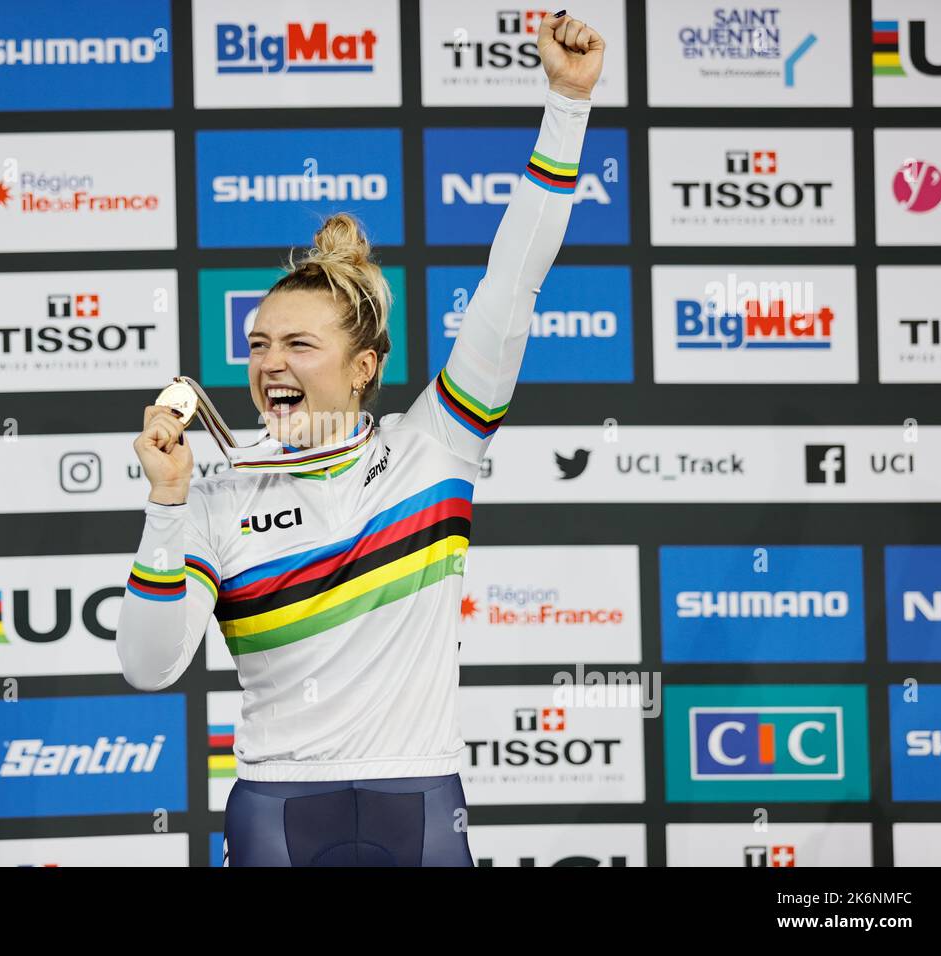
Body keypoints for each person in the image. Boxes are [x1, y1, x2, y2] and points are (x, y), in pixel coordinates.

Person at [117, 11, 604, 866]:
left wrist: (567, 105)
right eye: (259, 344)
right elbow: (150, 670)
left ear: (364, 367)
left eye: (300, 344)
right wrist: (165, 505)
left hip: (418, 799)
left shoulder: (437, 445)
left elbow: (511, 283)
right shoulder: (216, 485)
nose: (271, 362)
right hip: (275, 810)